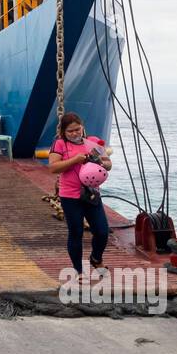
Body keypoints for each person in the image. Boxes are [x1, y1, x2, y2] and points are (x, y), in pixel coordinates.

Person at [47, 111, 113, 281]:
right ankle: (78, 270)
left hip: (91, 194)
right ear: (64, 132)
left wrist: (100, 162)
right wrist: (75, 160)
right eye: (70, 131)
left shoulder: (91, 144)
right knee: (75, 233)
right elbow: (53, 167)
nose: (75, 133)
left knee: (102, 231)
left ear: (82, 127)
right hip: (70, 196)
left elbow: (108, 164)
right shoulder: (59, 144)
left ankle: (96, 258)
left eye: (77, 129)